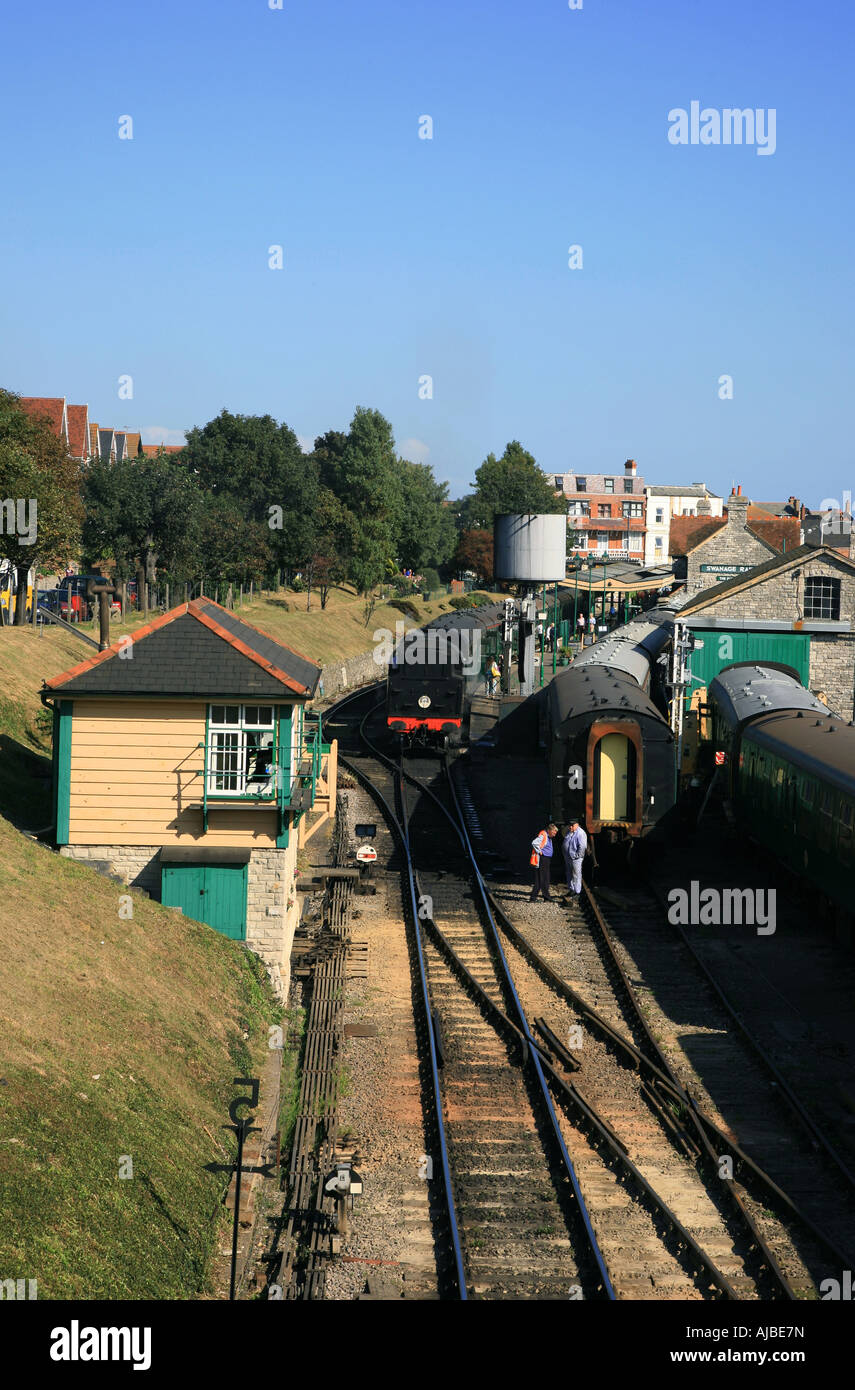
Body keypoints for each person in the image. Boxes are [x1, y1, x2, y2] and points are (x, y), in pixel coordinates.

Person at [529, 823, 558, 902]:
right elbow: (534, 843)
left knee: (541, 879)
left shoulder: (548, 836)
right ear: (549, 830)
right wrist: (539, 851)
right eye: (554, 833)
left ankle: (534, 897)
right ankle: (546, 897)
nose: (554, 835)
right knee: (544, 878)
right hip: (543, 859)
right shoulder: (543, 835)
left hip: (546, 859)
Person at [562, 818, 588, 895]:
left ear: (577, 825)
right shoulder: (570, 831)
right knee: (569, 873)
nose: (570, 827)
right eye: (570, 825)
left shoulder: (581, 833)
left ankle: (577, 892)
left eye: (572, 825)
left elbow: (582, 846)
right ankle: (571, 889)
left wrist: (577, 856)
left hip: (575, 858)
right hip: (568, 857)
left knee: (576, 875)